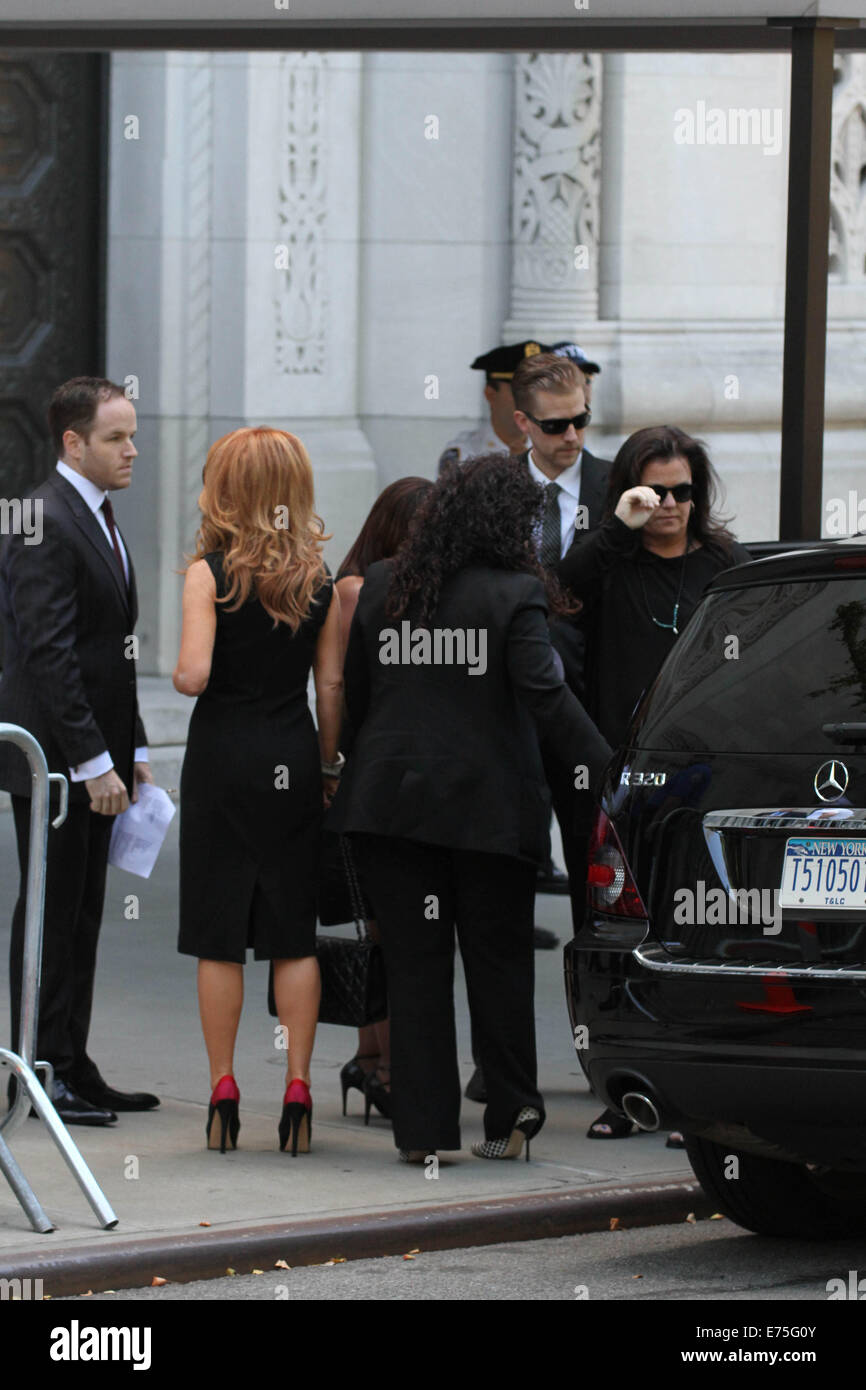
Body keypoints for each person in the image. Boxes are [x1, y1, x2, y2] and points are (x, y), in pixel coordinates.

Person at [327, 455, 612, 1163]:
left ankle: (423, 1135)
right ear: (509, 523)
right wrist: (611, 770)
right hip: (489, 810)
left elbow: (360, 699)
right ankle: (512, 1112)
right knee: (499, 962)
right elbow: (546, 697)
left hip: (392, 806)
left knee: (417, 970)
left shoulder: (385, 584)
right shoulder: (515, 594)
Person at [558, 424, 751, 1139]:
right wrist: (619, 527)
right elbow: (559, 588)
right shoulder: (609, 563)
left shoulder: (722, 563)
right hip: (622, 773)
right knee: (614, 932)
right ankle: (622, 1090)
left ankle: (693, 1097)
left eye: (681, 491)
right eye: (653, 491)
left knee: (699, 927)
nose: (668, 504)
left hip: (705, 775)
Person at [173, 427, 344, 1156]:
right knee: (292, 931)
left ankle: (222, 1087)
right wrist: (329, 765)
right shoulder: (319, 578)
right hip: (291, 754)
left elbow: (192, 676)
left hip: (220, 758)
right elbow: (329, 685)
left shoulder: (207, 575)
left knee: (219, 934)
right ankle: (299, 1087)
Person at [0, 376, 158, 1125]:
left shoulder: (97, 514)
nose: (133, 449)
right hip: (55, 766)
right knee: (50, 912)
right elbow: (49, 655)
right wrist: (93, 762)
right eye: (116, 438)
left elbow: (110, 653)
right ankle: (35, 1068)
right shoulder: (40, 517)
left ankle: (71, 1060)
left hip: (97, 754)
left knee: (83, 913)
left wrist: (135, 748)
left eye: (132, 434)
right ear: (73, 443)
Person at [332, 476, 434, 1123]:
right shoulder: (357, 588)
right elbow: (341, 683)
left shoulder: (414, 587)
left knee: (386, 927)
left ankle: (373, 1062)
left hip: (399, 776)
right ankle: (382, 1065)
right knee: (386, 928)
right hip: (369, 774)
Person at [436, 340, 550, 476]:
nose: (530, 399)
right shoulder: (464, 457)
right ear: (490, 394)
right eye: (519, 391)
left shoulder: (552, 450)